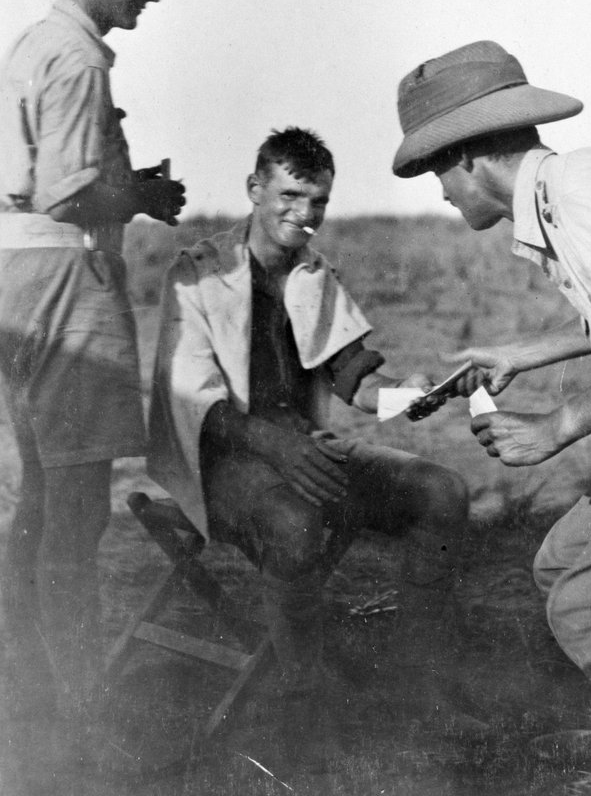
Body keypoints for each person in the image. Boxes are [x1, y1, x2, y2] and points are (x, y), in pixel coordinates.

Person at [392, 39, 591, 775]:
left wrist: (559, 426)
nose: (440, 192)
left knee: (586, 607)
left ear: (466, 156)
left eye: (437, 169)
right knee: (562, 564)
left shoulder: (583, 195)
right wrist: (525, 354)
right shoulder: (566, 193)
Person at [148, 127, 476, 764]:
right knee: (296, 526)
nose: (304, 215)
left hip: (303, 451)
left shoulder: (314, 275)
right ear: (254, 190)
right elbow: (195, 402)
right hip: (223, 464)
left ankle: (427, 688)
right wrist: (278, 446)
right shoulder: (198, 274)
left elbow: (355, 379)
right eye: (290, 196)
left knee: (442, 492)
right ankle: (305, 713)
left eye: (318, 201)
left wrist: (411, 393)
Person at [0, 0, 186, 757]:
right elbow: (65, 195)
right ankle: (79, 723)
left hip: (19, 279)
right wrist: (142, 197)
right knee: (74, 518)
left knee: (38, 506)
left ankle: (30, 700)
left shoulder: (38, 42)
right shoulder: (76, 57)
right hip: (64, 278)